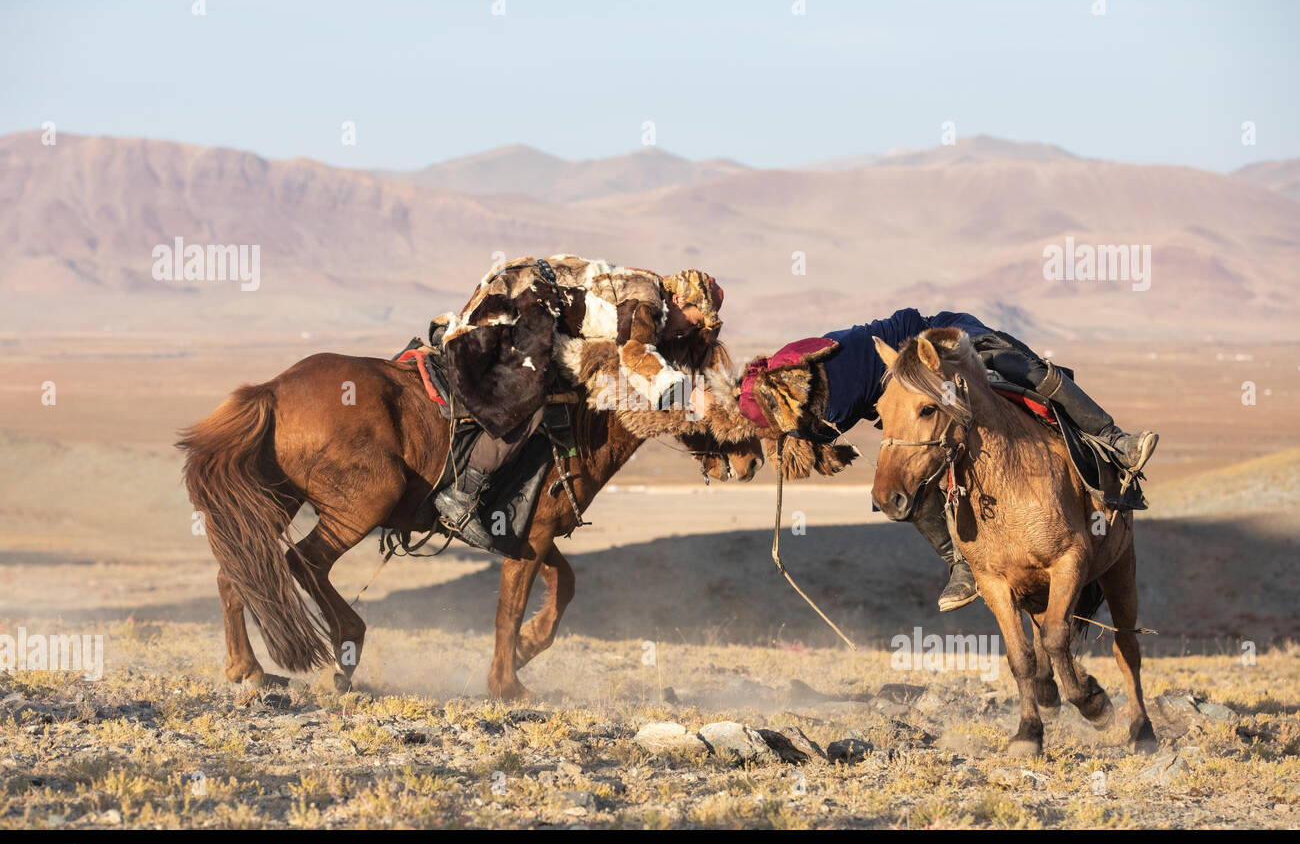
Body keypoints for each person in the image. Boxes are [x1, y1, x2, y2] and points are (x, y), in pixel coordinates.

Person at [728, 308, 1158, 612]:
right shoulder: (798, 379)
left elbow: (813, 430)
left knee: (1029, 374)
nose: (781, 430)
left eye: (777, 424)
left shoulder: (829, 392)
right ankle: (961, 561)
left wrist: (793, 438)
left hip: (945, 339)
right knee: (903, 482)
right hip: (913, 396)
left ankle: (1114, 440)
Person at [433, 256, 724, 548]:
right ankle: (461, 493)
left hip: (533, 300)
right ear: (679, 299)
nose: (686, 332)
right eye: (693, 322)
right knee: (526, 399)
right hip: (519, 298)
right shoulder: (646, 301)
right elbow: (635, 355)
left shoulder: (649, 293)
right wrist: (691, 394)